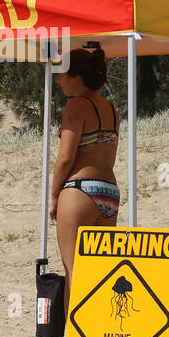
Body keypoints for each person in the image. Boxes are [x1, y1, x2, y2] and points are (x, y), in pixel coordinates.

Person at [49, 44, 119, 294]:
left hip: (79, 191)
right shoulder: (110, 109)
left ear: (76, 78)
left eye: (61, 74)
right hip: (109, 192)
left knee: (74, 273)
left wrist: (55, 194)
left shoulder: (76, 106)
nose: (58, 80)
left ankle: (74, 333)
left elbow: (66, 157)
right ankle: (95, 331)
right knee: (99, 273)